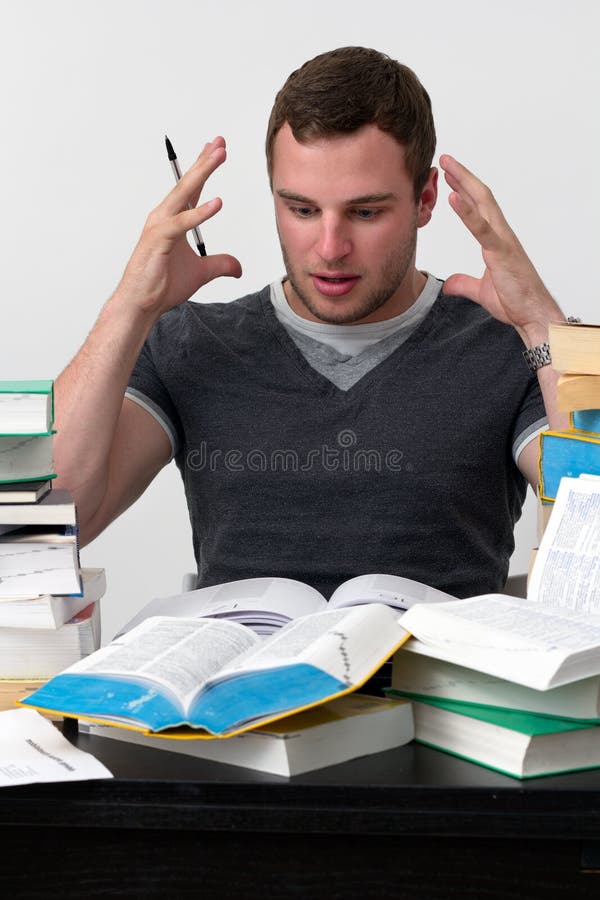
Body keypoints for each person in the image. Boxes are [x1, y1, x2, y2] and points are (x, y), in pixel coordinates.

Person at [54, 46, 569, 600]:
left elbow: (592, 529)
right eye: (302, 210)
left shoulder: (511, 347)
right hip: (242, 656)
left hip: (438, 659)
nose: (329, 248)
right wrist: (130, 307)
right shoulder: (190, 343)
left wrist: (542, 327)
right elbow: (51, 526)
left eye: (365, 212)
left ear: (424, 200)